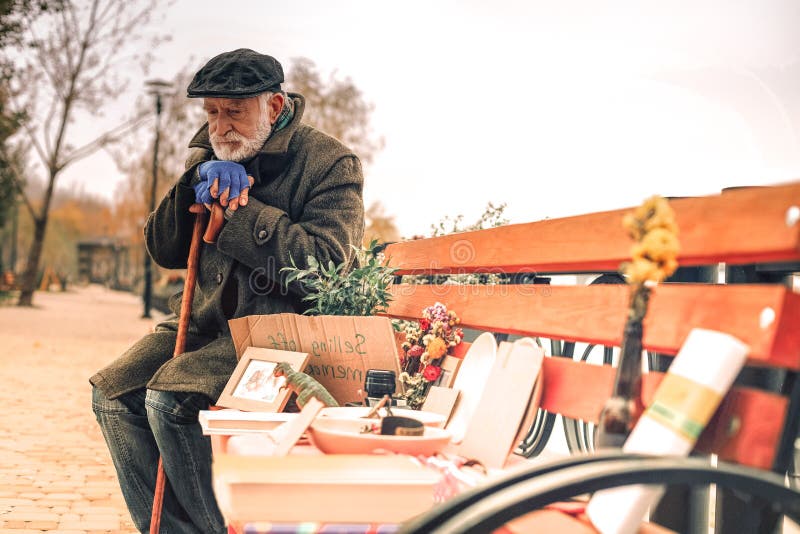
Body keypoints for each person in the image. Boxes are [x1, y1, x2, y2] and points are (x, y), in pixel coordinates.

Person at [90, 49, 365, 533]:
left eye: (235, 111)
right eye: (212, 112)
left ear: (275, 107)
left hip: (277, 335)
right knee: (113, 394)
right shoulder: (207, 157)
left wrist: (241, 212)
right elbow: (164, 250)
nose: (221, 126)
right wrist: (191, 184)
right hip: (200, 325)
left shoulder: (329, 163)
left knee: (170, 402)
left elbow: (325, 267)